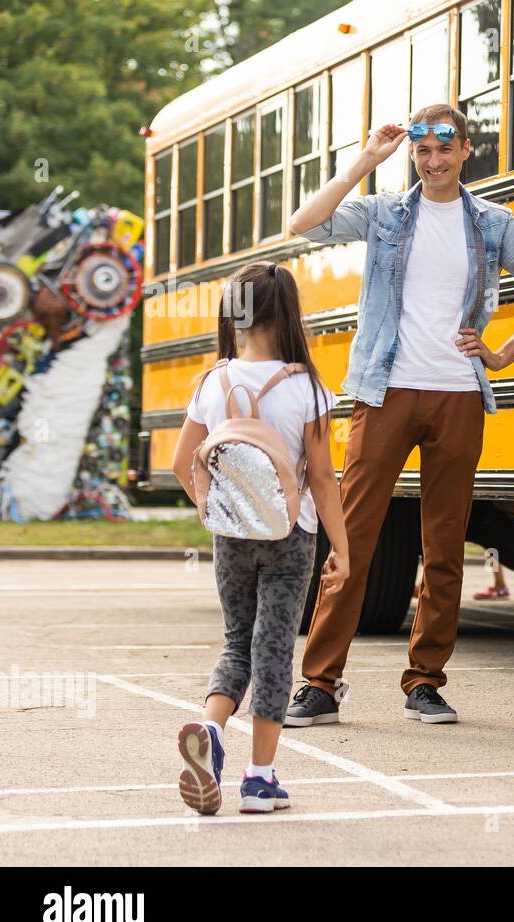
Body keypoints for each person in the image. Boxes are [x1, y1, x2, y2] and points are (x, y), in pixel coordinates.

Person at [285, 104, 514, 727]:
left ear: (466, 150)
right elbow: (303, 225)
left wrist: (499, 354)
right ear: (412, 154)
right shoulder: (387, 212)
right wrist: (366, 159)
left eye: (445, 149)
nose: (434, 160)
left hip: (458, 397)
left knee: (442, 547)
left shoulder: (494, 223)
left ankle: (425, 683)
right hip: (385, 392)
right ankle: (321, 684)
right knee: (349, 541)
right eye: (422, 151)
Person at [170, 262, 349, 814]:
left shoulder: (214, 381)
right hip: (289, 537)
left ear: (235, 314)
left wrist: (213, 507)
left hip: (230, 535)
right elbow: (321, 478)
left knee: (234, 642)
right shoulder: (306, 387)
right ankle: (260, 778)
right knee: (272, 649)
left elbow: (183, 462)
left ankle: (211, 727)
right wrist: (342, 551)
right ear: (288, 314)